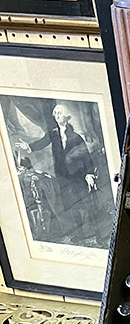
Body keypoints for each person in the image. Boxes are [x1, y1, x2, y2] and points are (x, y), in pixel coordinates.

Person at [15, 104, 97, 244]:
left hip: (77, 175)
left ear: (66, 116)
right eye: (55, 114)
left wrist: (89, 174)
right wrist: (28, 147)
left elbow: (86, 157)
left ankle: (93, 232)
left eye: (60, 113)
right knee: (68, 204)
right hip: (62, 176)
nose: (57, 116)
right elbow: (42, 142)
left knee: (82, 203)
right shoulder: (53, 133)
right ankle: (78, 233)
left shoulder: (76, 137)